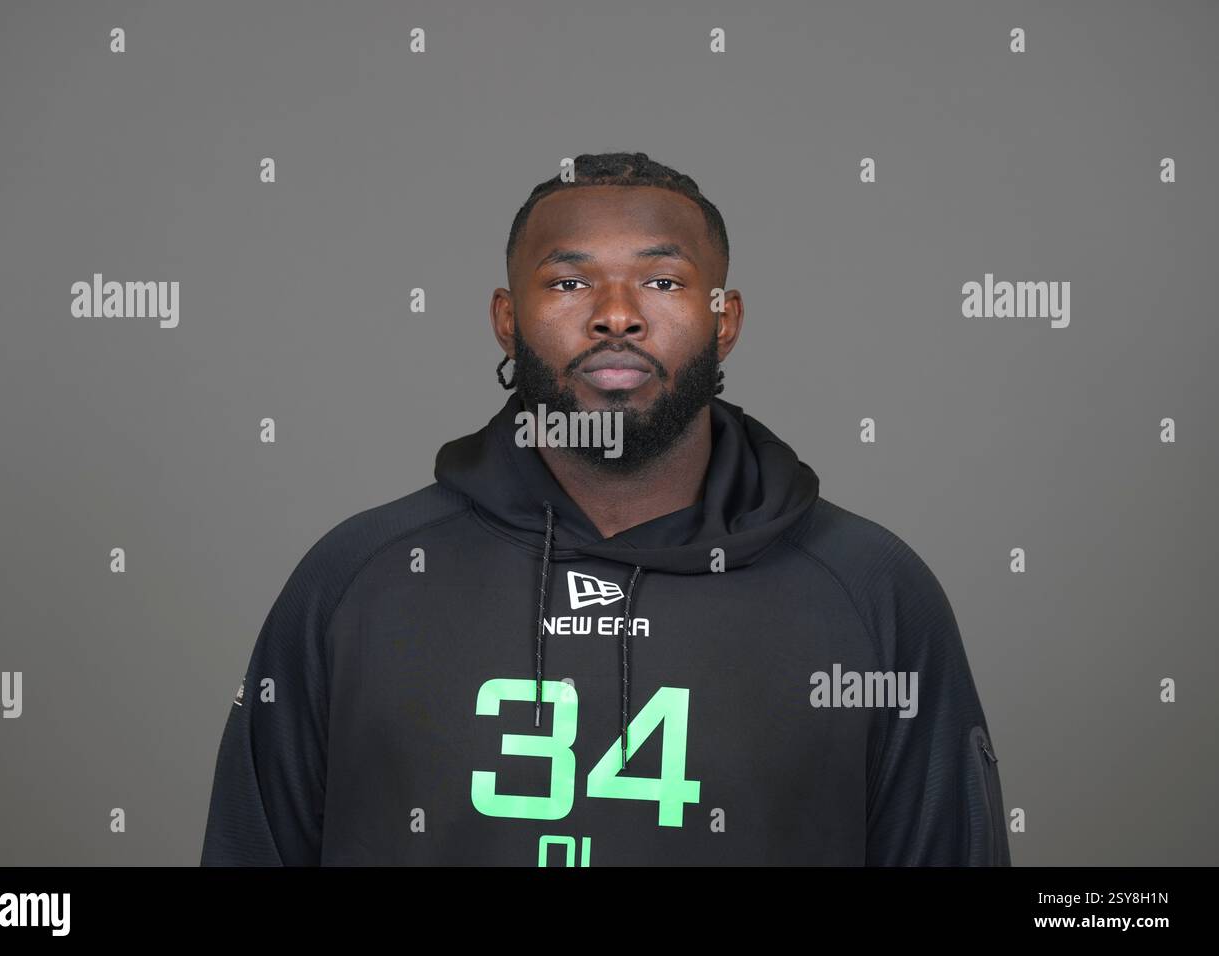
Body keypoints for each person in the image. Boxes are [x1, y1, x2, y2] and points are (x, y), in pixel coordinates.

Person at [200, 151, 1012, 866]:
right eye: (568, 281)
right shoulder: (356, 579)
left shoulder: (870, 591)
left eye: (661, 280)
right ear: (506, 320)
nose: (616, 314)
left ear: (723, 320)